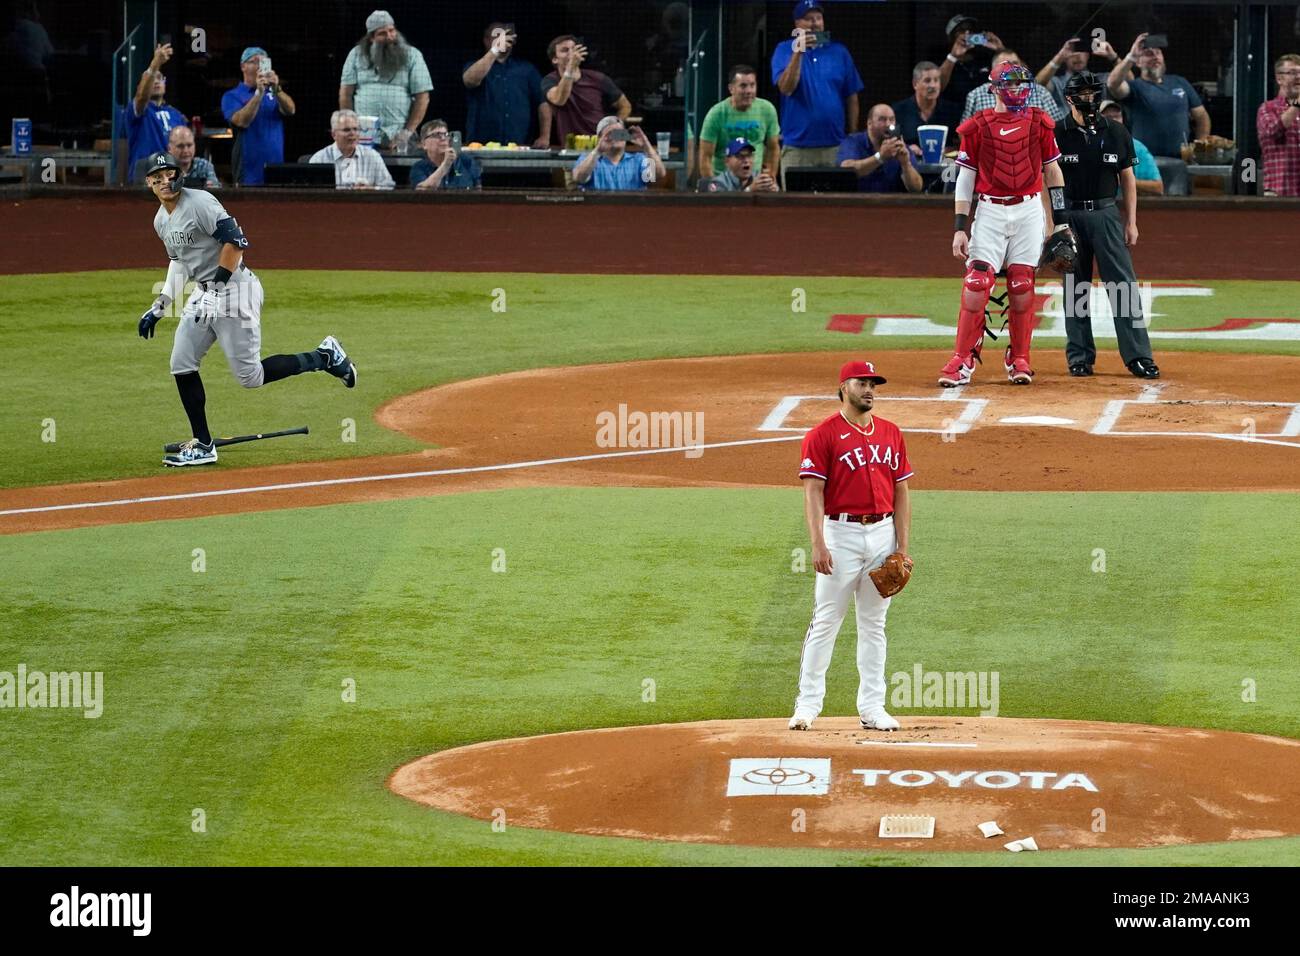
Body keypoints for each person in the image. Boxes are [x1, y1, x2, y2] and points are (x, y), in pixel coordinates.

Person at [134, 153, 355, 468]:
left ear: (178, 175)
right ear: (149, 184)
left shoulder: (201, 203)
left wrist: (217, 291)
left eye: (168, 175)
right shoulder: (160, 220)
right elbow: (180, 262)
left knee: (250, 377)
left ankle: (325, 356)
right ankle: (204, 444)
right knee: (181, 363)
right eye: (156, 178)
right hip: (204, 294)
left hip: (236, 292)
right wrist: (159, 306)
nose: (163, 182)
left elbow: (235, 243)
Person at [789, 359, 913, 734]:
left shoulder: (891, 433)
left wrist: (902, 546)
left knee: (874, 624)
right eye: (862, 383)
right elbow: (813, 492)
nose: (870, 389)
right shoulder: (822, 435)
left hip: (882, 534)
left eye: (873, 383)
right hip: (839, 535)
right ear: (844, 387)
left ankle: (872, 707)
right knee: (826, 620)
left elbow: (901, 490)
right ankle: (807, 706)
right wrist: (818, 543)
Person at [938, 61, 1071, 388]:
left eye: (1021, 84)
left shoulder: (1040, 123)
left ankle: (1020, 357)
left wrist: (1062, 222)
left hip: (1028, 211)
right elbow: (965, 178)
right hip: (990, 211)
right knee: (977, 284)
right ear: (993, 88)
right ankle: (963, 357)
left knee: (1023, 284)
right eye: (1010, 85)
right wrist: (959, 226)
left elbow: (1053, 171)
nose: (1017, 90)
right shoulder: (978, 126)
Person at [1055, 73, 1160, 379]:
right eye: (1082, 93)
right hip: (1069, 215)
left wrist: (1132, 221)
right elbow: (1047, 181)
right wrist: (1052, 225)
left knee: (1123, 286)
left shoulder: (1116, 131)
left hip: (1106, 213)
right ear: (1069, 98)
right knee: (1075, 290)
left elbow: (1127, 178)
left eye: (1092, 93)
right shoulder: (1057, 132)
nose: (1088, 99)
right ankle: (1079, 357)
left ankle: (1138, 356)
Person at [771, 1, 864, 187]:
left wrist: (852, 136)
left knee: (836, 207)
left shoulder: (839, 52)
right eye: (808, 19)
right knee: (794, 209)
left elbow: (852, 96)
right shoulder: (783, 50)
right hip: (797, 148)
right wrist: (798, 52)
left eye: (818, 18)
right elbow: (786, 88)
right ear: (797, 24)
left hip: (835, 146)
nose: (815, 23)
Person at [339, 10, 432, 153]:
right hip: (363, 134)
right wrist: (351, 129)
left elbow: (422, 98)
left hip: (401, 134)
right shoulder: (356, 54)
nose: (390, 37)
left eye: (392, 30)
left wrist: (407, 132)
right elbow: (345, 94)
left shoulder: (413, 55)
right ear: (371, 37)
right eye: (382, 33)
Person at [1106, 32, 1210, 158]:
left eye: (1158, 53)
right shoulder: (1134, 87)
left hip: (1180, 160)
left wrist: (1199, 146)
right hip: (1146, 161)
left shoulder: (1180, 82)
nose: (1155, 57)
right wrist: (1131, 56)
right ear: (1138, 62)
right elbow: (1112, 84)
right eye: (1149, 54)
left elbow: (1202, 116)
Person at [221, 46, 295, 186]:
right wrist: (258, 94)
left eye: (262, 62)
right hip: (248, 170)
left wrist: (276, 88)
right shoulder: (232, 95)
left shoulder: (273, 93)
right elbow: (241, 121)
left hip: (276, 167)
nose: (259, 66)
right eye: (254, 61)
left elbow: (291, 110)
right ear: (243, 66)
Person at [462, 22, 544, 147]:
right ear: (486, 40)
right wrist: (495, 50)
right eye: (497, 35)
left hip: (519, 143)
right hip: (480, 144)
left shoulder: (527, 69)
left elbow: (542, 102)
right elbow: (470, 80)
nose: (502, 39)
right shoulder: (474, 64)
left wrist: (544, 136)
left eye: (506, 35)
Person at [540, 35, 631, 147]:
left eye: (574, 49)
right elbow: (559, 100)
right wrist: (570, 69)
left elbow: (625, 105)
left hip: (601, 144)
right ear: (555, 59)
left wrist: (616, 132)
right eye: (565, 50)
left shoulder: (597, 78)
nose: (571, 53)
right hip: (571, 146)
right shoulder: (550, 80)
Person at [698, 64, 781, 179]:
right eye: (743, 86)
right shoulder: (716, 114)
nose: (749, 91)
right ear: (731, 88)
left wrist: (769, 176)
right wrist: (714, 188)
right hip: (723, 180)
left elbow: (773, 148)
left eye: (752, 85)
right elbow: (705, 157)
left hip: (755, 179)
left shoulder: (767, 109)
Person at [127, 43, 187, 182]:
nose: (156, 81)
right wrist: (155, 65)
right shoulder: (137, 110)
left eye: (160, 78)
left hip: (172, 176)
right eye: (151, 79)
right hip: (146, 175)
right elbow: (142, 97)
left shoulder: (176, 114)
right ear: (140, 86)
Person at [837, 103, 923, 193]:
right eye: (882, 119)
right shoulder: (853, 141)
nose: (888, 124)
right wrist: (880, 157)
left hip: (892, 203)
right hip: (858, 202)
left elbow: (916, 188)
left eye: (891, 119)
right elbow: (846, 170)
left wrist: (906, 164)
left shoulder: (900, 147)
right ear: (869, 123)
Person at [963, 50, 1066, 123]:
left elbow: (1058, 126)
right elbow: (963, 133)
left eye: (1015, 63)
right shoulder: (976, 95)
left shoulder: (1040, 92)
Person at [572, 115, 665, 191]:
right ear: (600, 138)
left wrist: (646, 145)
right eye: (610, 133)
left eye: (620, 133)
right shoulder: (589, 160)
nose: (616, 137)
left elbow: (659, 174)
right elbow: (579, 178)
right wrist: (597, 151)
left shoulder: (639, 160)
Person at [309, 109, 394, 189]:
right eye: (347, 130)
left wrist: (372, 189)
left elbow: (389, 185)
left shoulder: (372, 156)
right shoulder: (319, 159)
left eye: (356, 129)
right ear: (334, 134)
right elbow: (310, 193)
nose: (352, 133)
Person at [892, 61, 961, 159]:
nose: (933, 86)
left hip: (945, 169)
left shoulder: (952, 111)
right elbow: (891, 143)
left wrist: (949, 150)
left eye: (936, 80)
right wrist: (907, 148)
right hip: (909, 166)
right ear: (915, 84)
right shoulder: (898, 111)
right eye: (927, 81)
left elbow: (961, 144)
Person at [938, 14, 1004, 109]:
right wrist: (953, 57)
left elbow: (1020, 78)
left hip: (985, 112)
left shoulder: (985, 57)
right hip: (954, 115)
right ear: (952, 36)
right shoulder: (942, 59)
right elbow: (938, 86)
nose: (967, 33)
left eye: (970, 30)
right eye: (961, 30)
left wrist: (1001, 50)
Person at [1036, 37, 1119, 113]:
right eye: (1072, 51)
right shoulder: (1057, 83)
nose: (1077, 55)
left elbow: (1130, 81)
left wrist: (1113, 57)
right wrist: (1059, 57)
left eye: (1081, 50)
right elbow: (1037, 85)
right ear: (1064, 57)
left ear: (1087, 55)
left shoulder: (1102, 79)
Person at [1256, 54, 1300, 197]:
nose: (1298, 77)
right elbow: (1272, 130)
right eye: (1292, 73)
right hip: (1279, 194)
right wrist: (1297, 105)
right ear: (1279, 78)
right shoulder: (1268, 108)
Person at [1100, 100, 1163, 195]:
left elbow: (1158, 187)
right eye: (1108, 117)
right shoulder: (1089, 146)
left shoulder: (1138, 148)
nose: (1114, 121)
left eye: (1117, 116)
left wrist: (1124, 179)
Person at [410, 119, 481, 190]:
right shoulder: (419, 168)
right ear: (424, 144)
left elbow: (479, 192)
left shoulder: (466, 162)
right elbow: (422, 192)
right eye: (437, 135)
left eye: (446, 135)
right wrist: (445, 166)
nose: (443, 138)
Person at [698, 139, 778, 192]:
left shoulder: (759, 177)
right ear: (727, 161)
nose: (746, 161)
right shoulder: (718, 183)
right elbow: (723, 208)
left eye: (749, 156)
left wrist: (774, 191)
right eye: (740, 156)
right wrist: (749, 190)